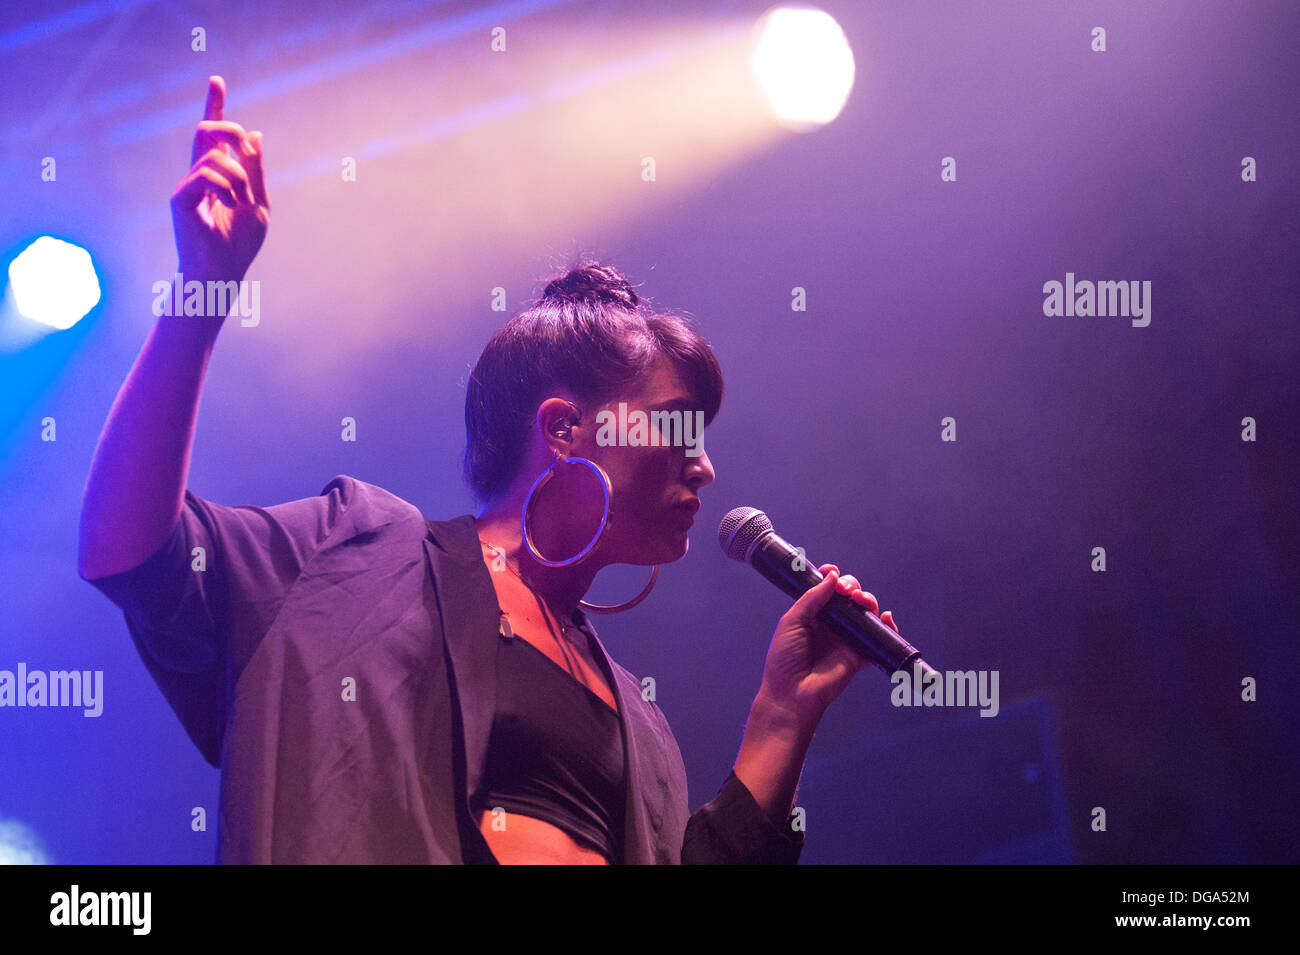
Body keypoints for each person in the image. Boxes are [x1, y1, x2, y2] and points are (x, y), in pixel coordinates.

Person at [78, 76, 899, 864]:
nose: (706, 468)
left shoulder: (642, 729)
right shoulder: (351, 554)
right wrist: (200, 294)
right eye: (678, 425)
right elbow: (129, 547)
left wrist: (783, 717)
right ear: (564, 428)